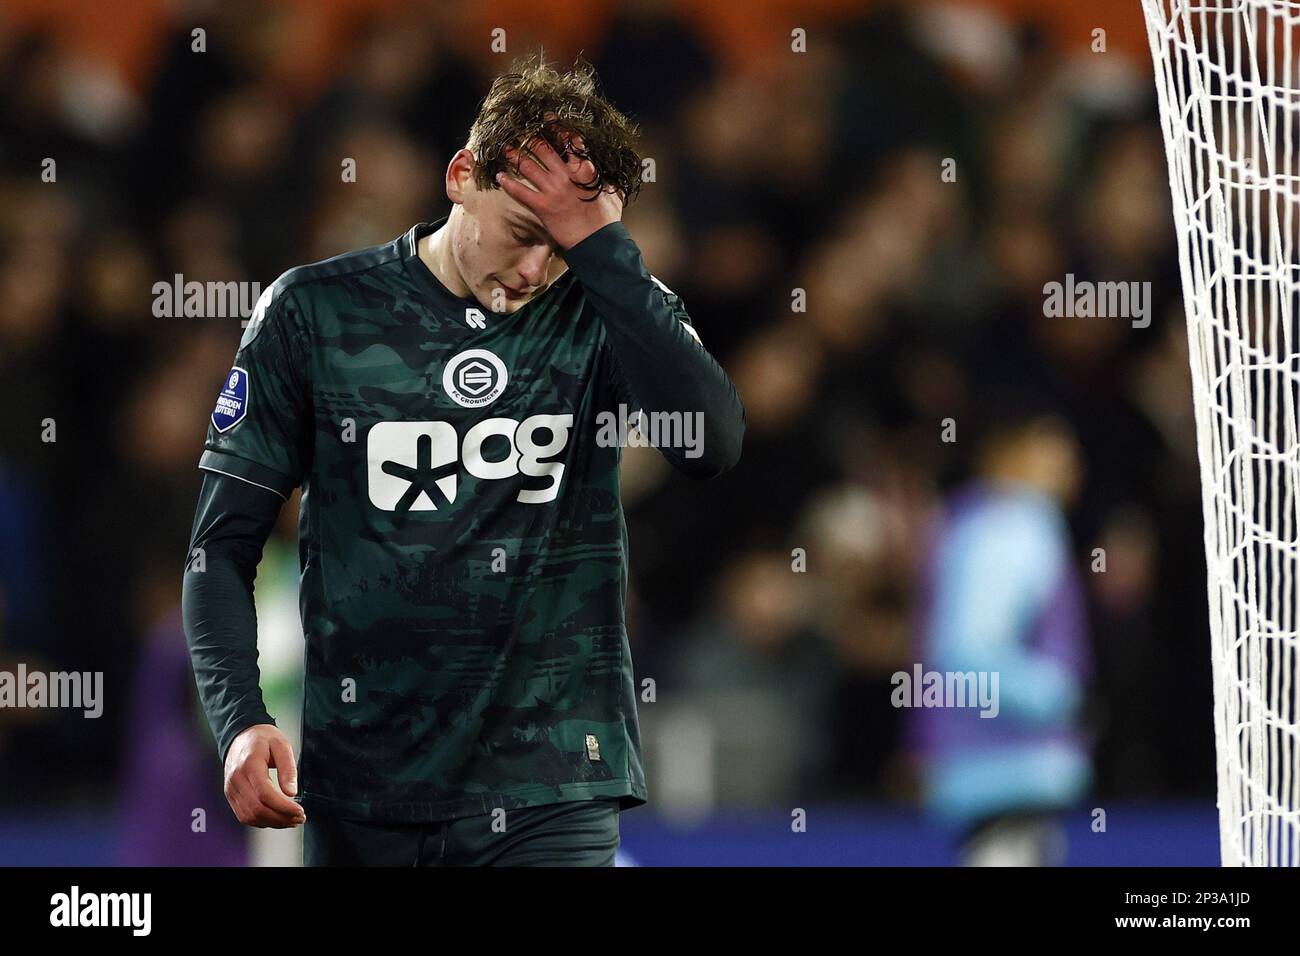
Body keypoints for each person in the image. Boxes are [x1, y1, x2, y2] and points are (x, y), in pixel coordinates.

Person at [181, 53, 745, 866]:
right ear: (459, 175)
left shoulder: (603, 309)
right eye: (521, 235)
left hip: (554, 784)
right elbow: (219, 548)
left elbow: (712, 443)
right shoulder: (313, 313)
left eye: (560, 250)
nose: (530, 272)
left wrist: (606, 255)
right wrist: (239, 719)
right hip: (362, 789)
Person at [909, 400, 1092, 866]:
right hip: (1004, 767)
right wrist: (1063, 697)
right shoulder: (1009, 528)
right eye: (1052, 446)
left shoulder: (985, 523)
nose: (1070, 461)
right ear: (1006, 453)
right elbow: (967, 650)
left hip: (1000, 774)